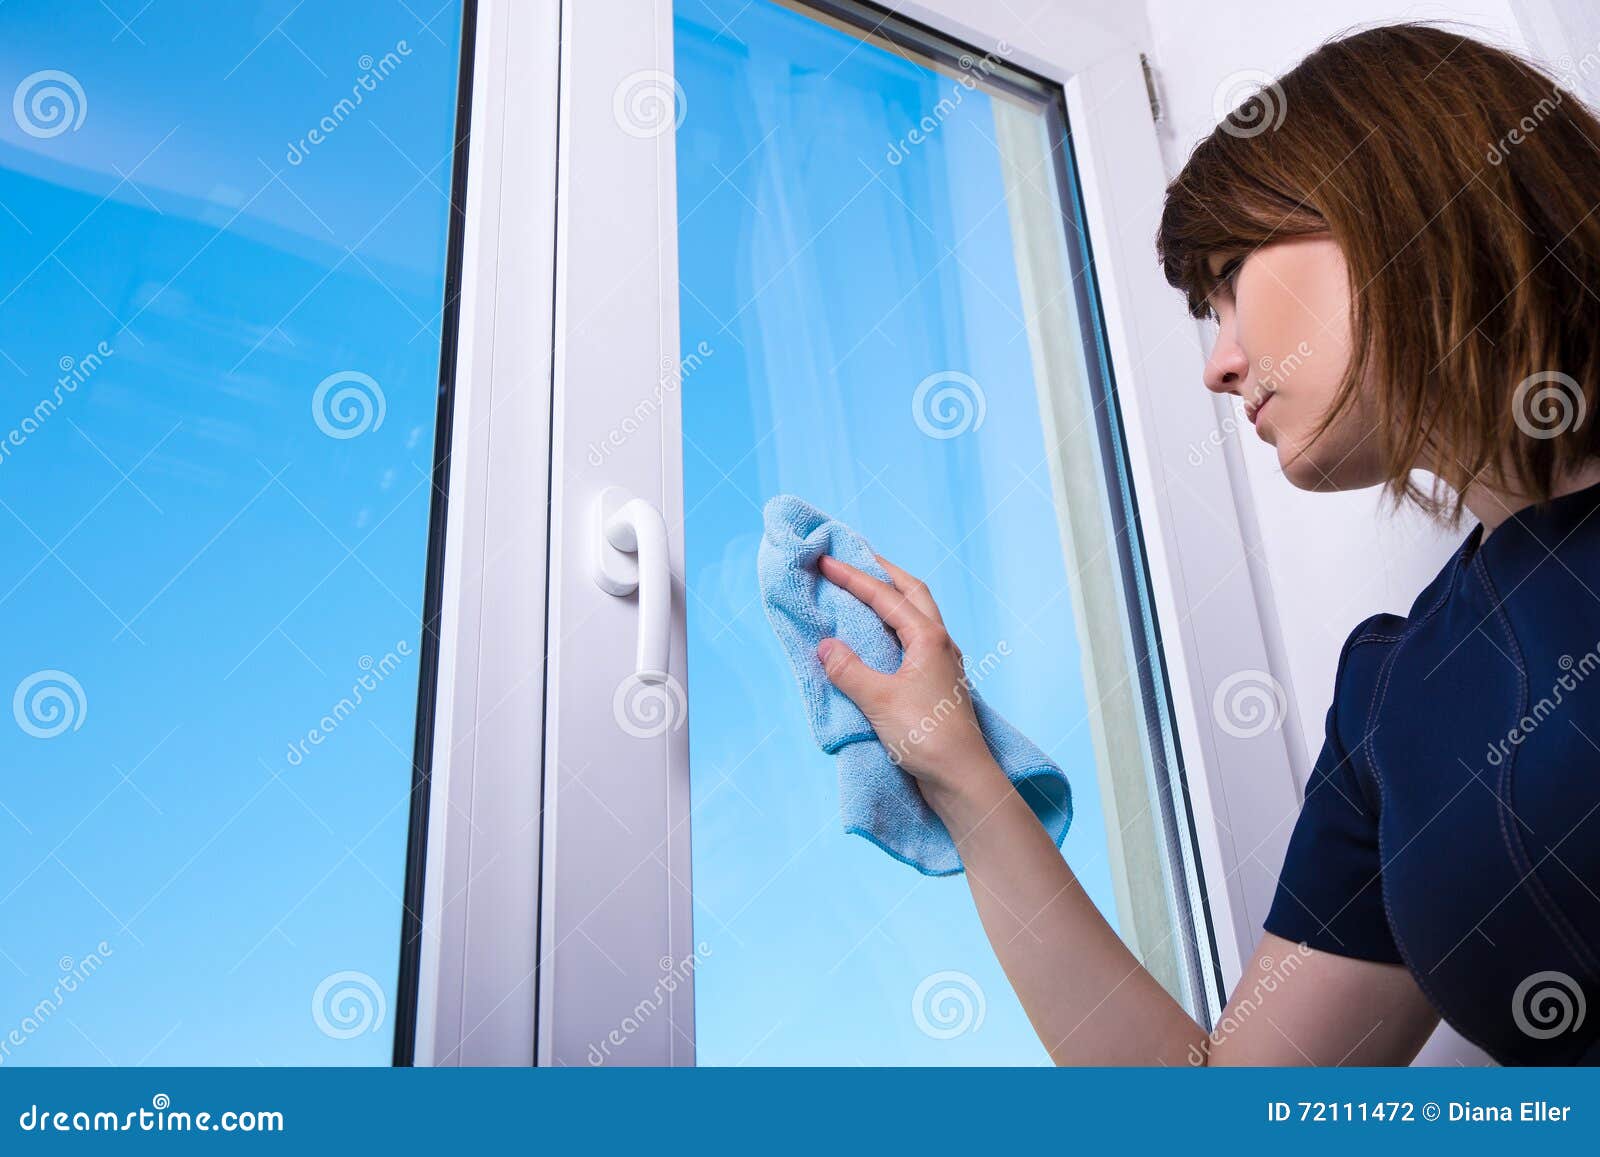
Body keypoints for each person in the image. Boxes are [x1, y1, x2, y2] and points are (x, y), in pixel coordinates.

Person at [815, 22, 1600, 1065]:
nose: (1218, 363)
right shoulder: (1397, 694)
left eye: (1230, 281)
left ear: (1395, 200)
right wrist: (960, 770)